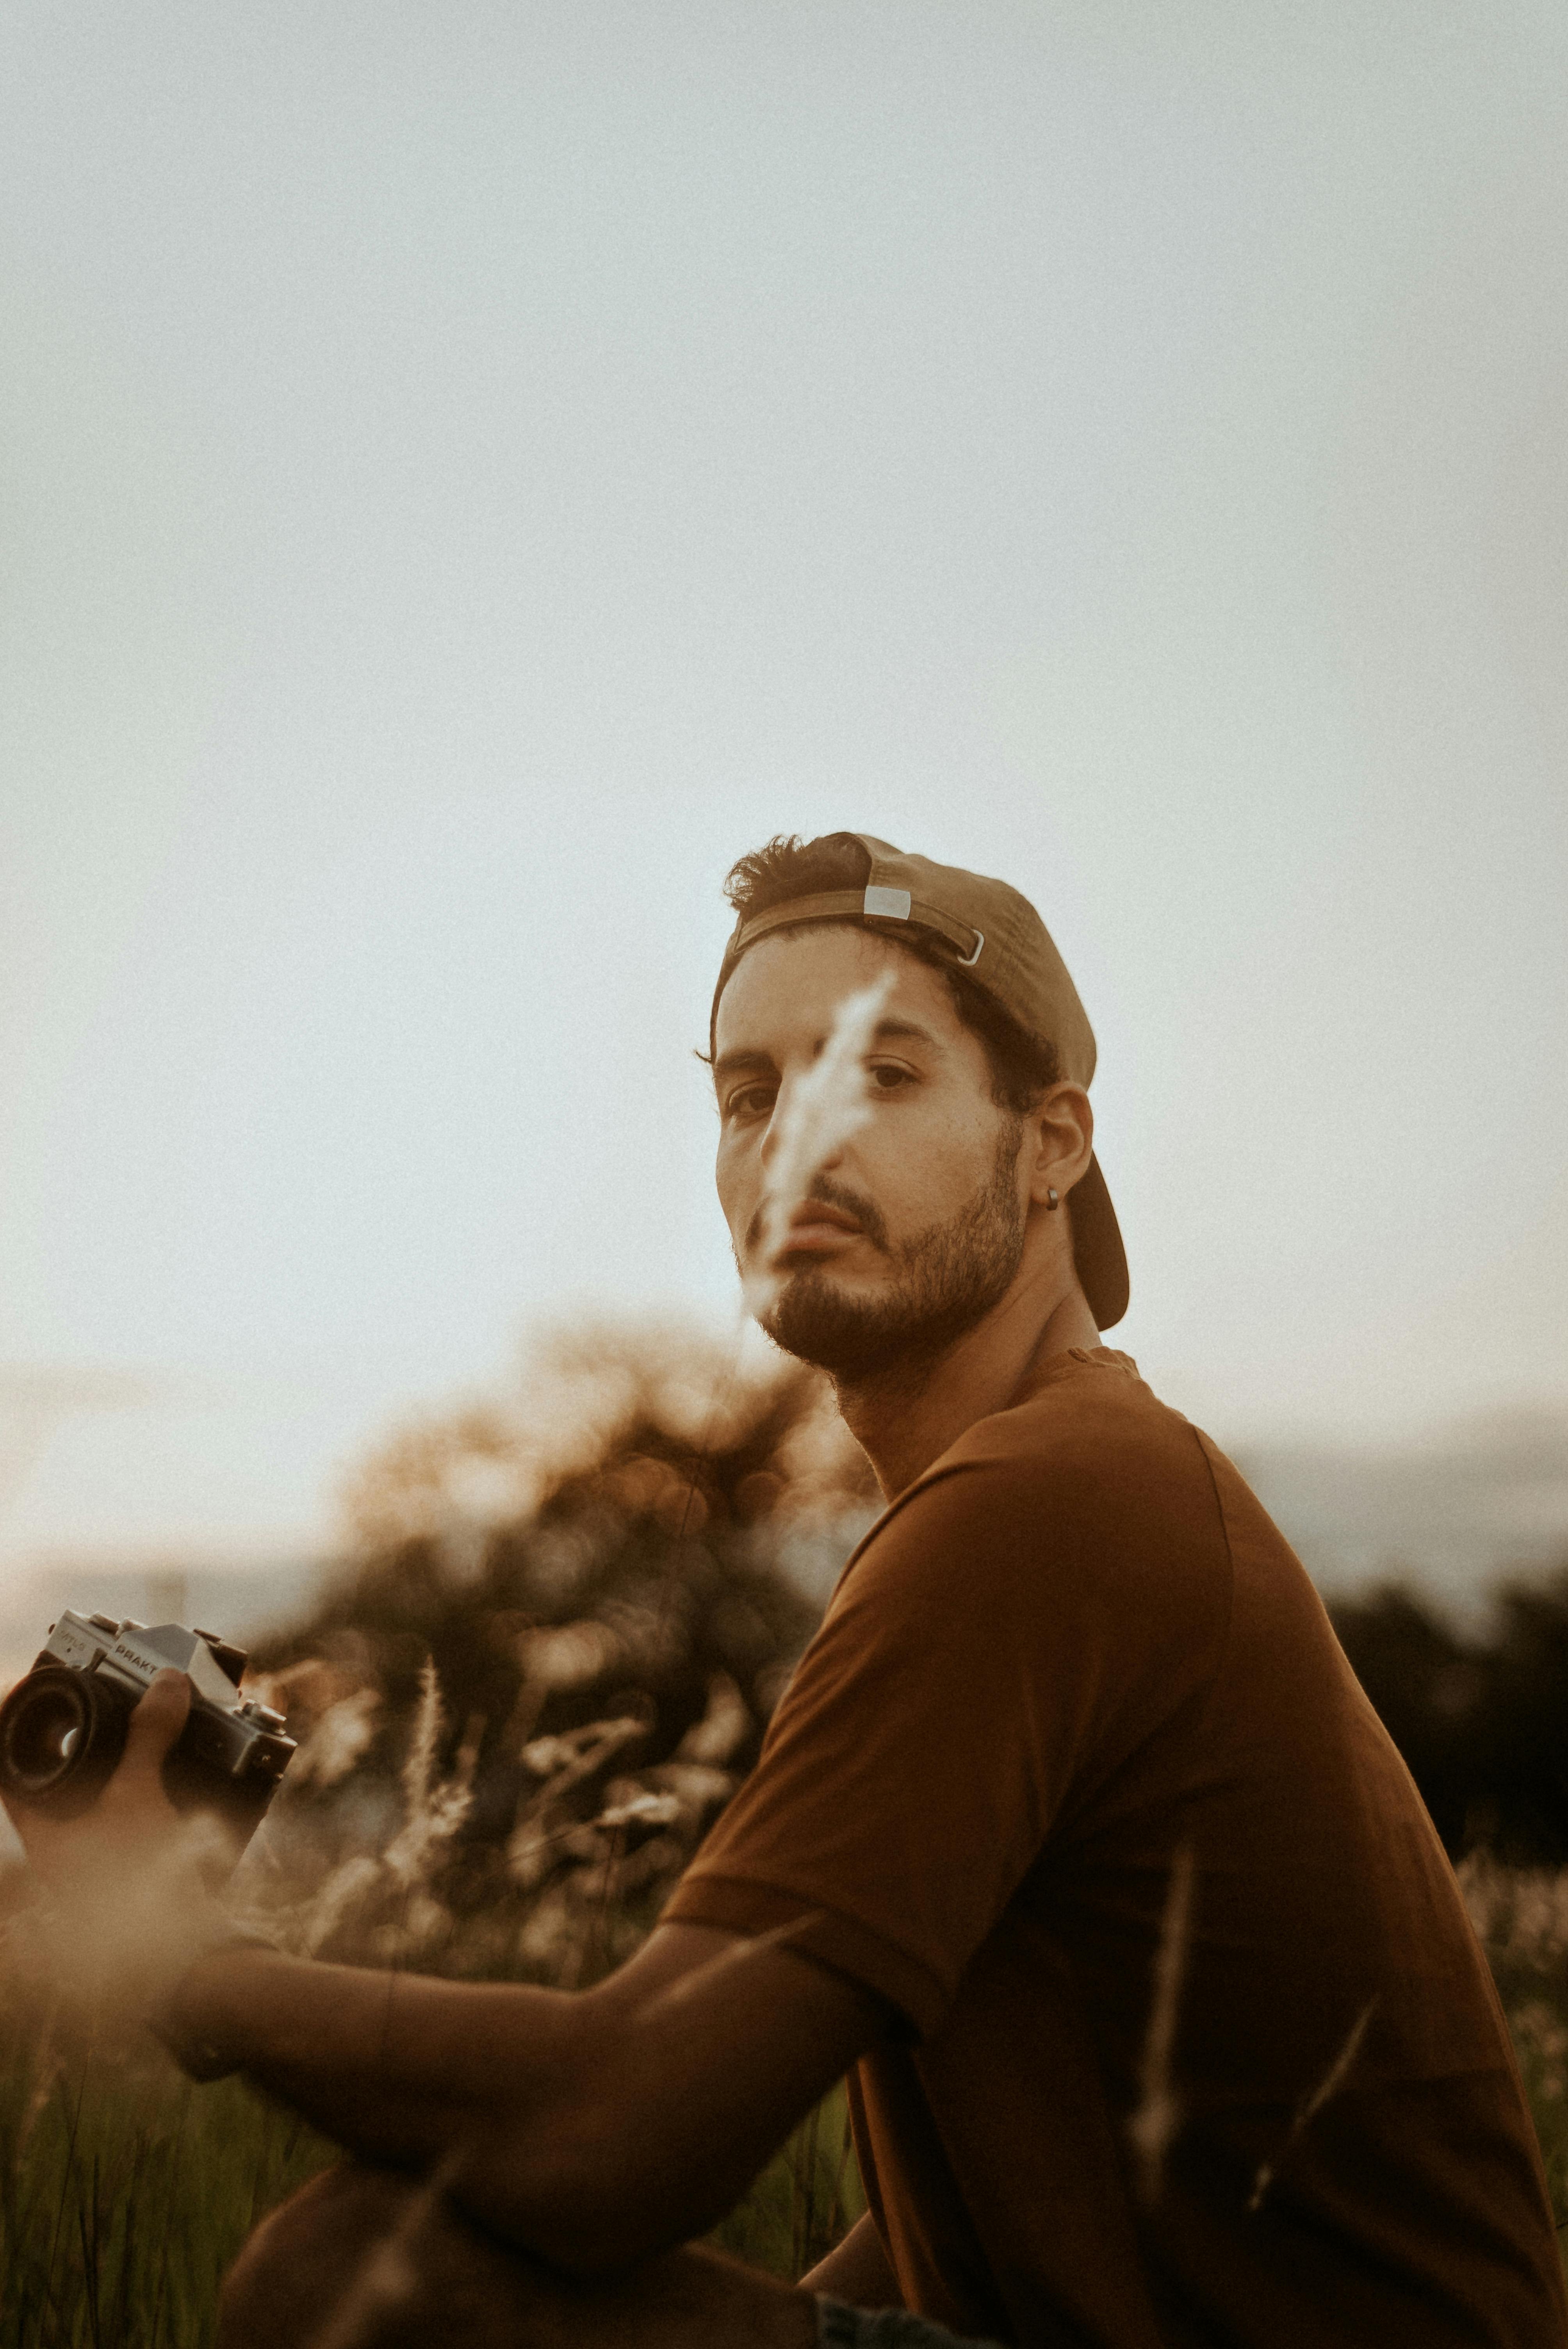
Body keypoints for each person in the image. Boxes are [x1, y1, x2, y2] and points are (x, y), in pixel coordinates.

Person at [6, 830, 1564, 2349]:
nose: (798, 1136)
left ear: (1050, 1144)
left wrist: (175, 1964)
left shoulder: (1053, 1503)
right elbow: (968, 2232)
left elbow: (617, 2136)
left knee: (356, 2279)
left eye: (881, 1075)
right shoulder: (1053, 1491)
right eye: (749, 1093)